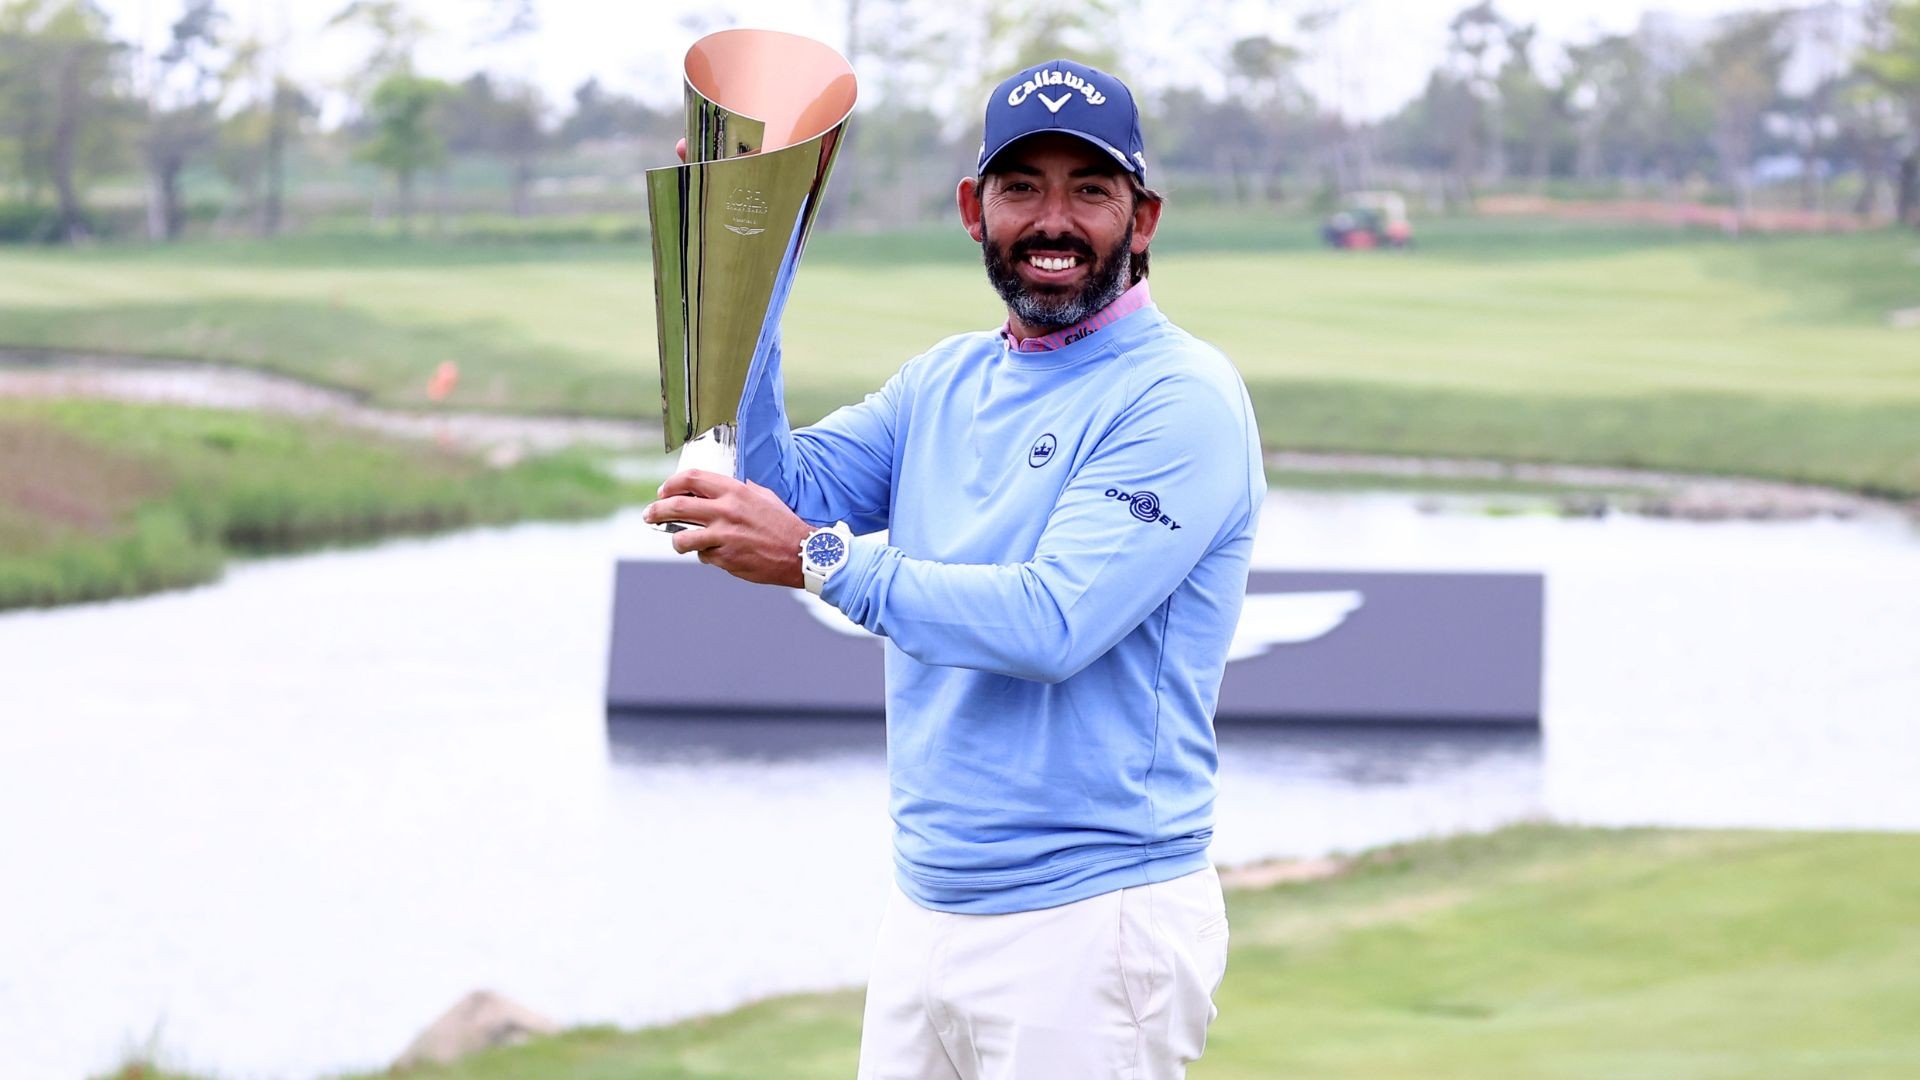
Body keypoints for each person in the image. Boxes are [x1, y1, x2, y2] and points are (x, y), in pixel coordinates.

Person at [644, 58, 1264, 1079]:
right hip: (927, 907)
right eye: (1023, 188)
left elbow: (1050, 624)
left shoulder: (1181, 398)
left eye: (1091, 191)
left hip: (1096, 918)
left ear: (1142, 218)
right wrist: (752, 264)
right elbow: (775, 485)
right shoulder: (944, 380)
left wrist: (815, 562)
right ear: (975, 209)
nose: (1053, 221)